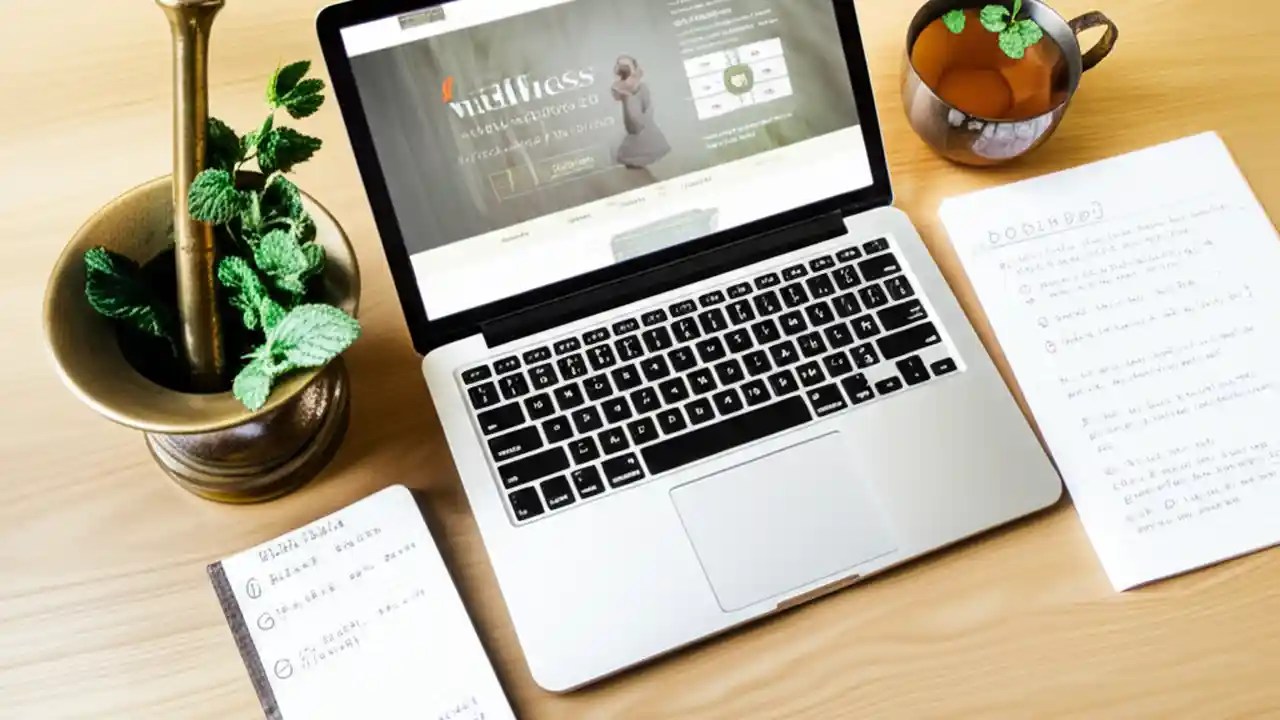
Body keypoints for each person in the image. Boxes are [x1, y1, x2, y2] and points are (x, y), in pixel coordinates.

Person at [611, 55, 671, 169]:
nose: (624, 69)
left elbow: (646, 108)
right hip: (631, 118)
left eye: (626, 66)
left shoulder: (642, 87)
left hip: (644, 125)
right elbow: (617, 95)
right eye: (621, 66)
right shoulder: (619, 87)